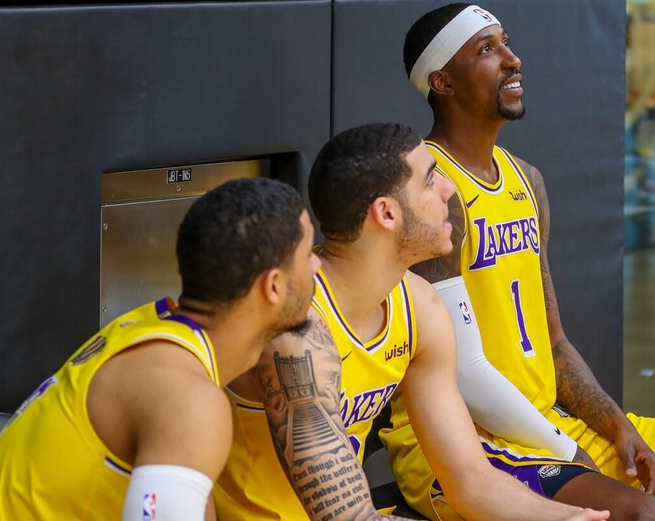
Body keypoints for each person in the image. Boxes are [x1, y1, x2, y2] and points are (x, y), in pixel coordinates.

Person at [393, 2, 655, 521]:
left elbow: (554, 341)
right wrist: (569, 451)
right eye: (487, 50)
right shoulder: (432, 190)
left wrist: (616, 427)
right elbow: (464, 378)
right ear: (443, 82)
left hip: (543, 420)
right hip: (460, 441)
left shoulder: (526, 180)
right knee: (640, 515)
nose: (513, 60)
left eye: (507, 43)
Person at [214, 123, 609, 521]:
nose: (449, 190)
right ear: (386, 212)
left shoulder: (419, 306)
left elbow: (472, 481)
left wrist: (564, 518)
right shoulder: (295, 324)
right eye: (430, 179)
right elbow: (345, 518)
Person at [0, 177, 321, 521]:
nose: (318, 265)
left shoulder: (146, 330)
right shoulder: (186, 398)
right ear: (273, 286)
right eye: (307, 255)